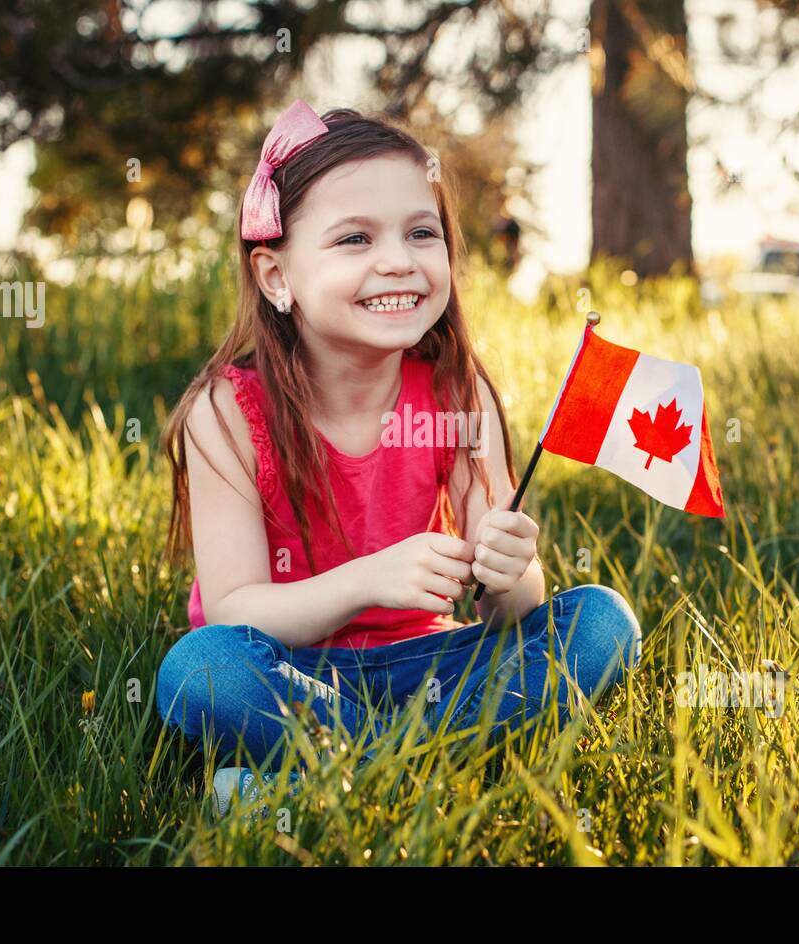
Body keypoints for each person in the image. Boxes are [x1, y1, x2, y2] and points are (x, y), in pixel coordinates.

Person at [155, 99, 641, 814]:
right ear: (275, 277)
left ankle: (334, 784)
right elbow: (235, 615)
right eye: (354, 239)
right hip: (290, 671)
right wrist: (368, 581)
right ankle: (448, 774)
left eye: (422, 232)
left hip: (436, 666)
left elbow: (514, 611)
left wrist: (512, 570)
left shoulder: (454, 389)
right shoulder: (225, 413)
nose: (398, 262)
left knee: (602, 624)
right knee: (198, 673)